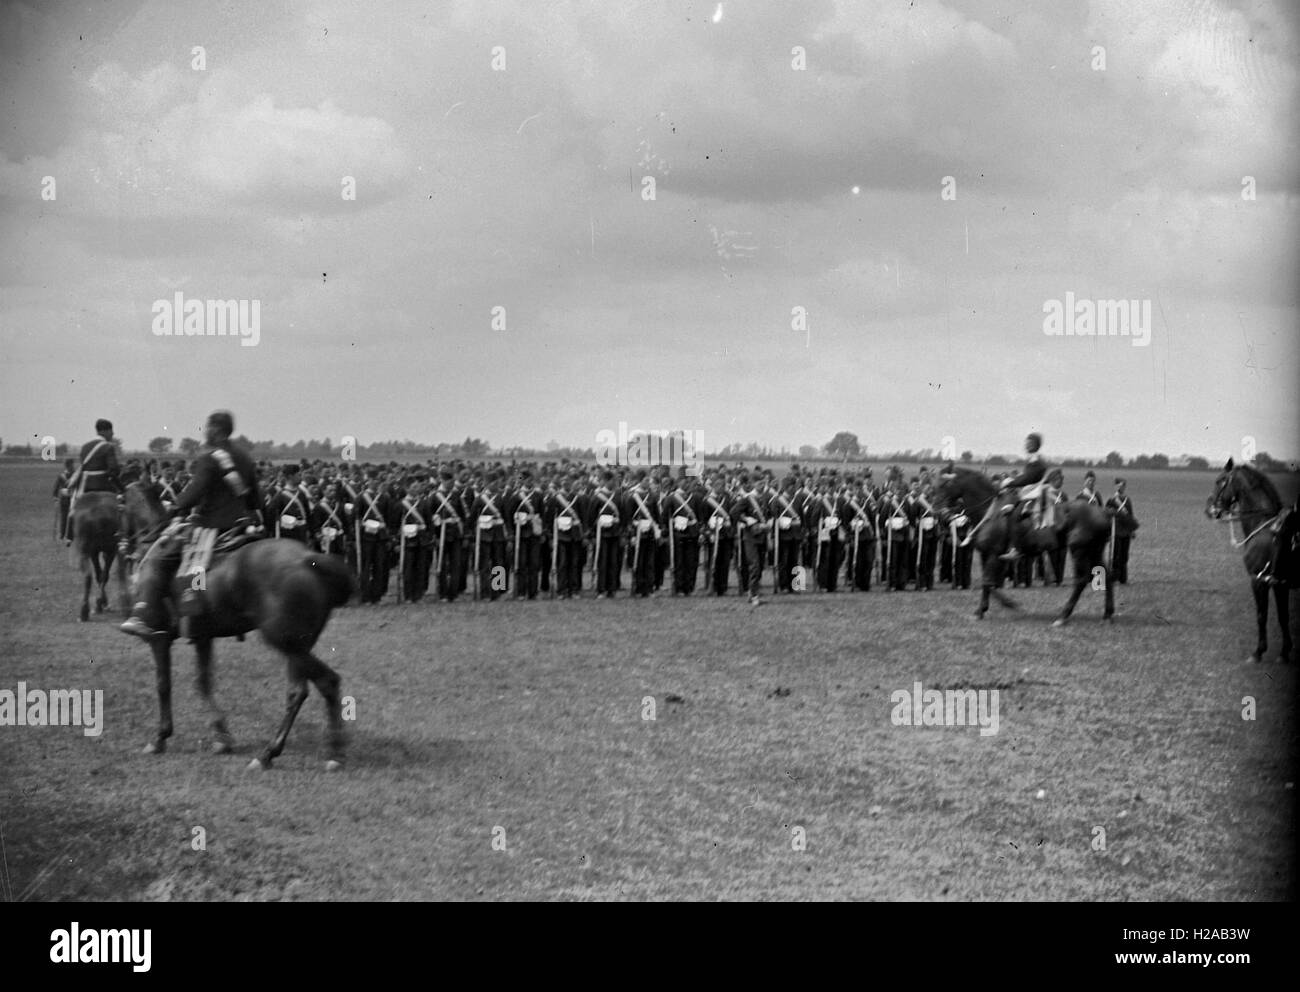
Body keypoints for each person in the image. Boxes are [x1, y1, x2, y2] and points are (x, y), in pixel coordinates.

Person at [121, 411, 261, 638]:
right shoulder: (244, 457)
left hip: (212, 525)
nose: (205, 431)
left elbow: (195, 491)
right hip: (243, 525)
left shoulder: (210, 457)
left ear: (217, 429)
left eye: (208, 427)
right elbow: (256, 498)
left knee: (159, 558)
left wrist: (175, 508)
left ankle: (144, 613)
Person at [998, 432, 1047, 561]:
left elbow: (1027, 479)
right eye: (1026, 442)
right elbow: (1025, 477)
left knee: (1014, 516)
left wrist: (1010, 483)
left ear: (1035, 445)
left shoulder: (1035, 461)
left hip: (1032, 495)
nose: (1026, 445)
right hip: (1028, 493)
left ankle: (1017, 550)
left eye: (1029, 443)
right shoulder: (1032, 459)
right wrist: (1013, 480)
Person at [1107, 478, 1139, 584]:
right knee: (1115, 555)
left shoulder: (1127, 500)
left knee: (1124, 555)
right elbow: (1106, 515)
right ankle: (1114, 577)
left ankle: (1123, 578)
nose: (1120, 487)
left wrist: (1132, 530)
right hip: (1115, 531)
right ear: (1115, 486)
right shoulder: (1111, 500)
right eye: (1118, 485)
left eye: (1122, 485)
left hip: (1126, 531)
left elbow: (1130, 515)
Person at [52, 457, 75, 543]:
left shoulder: (75, 475)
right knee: (64, 518)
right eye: (71, 465)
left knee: (72, 518)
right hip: (64, 500)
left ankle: (71, 536)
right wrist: (55, 498)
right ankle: (62, 535)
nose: (73, 466)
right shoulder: (61, 476)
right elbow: (56, 488)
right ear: (68, 466)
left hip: (73, 499)